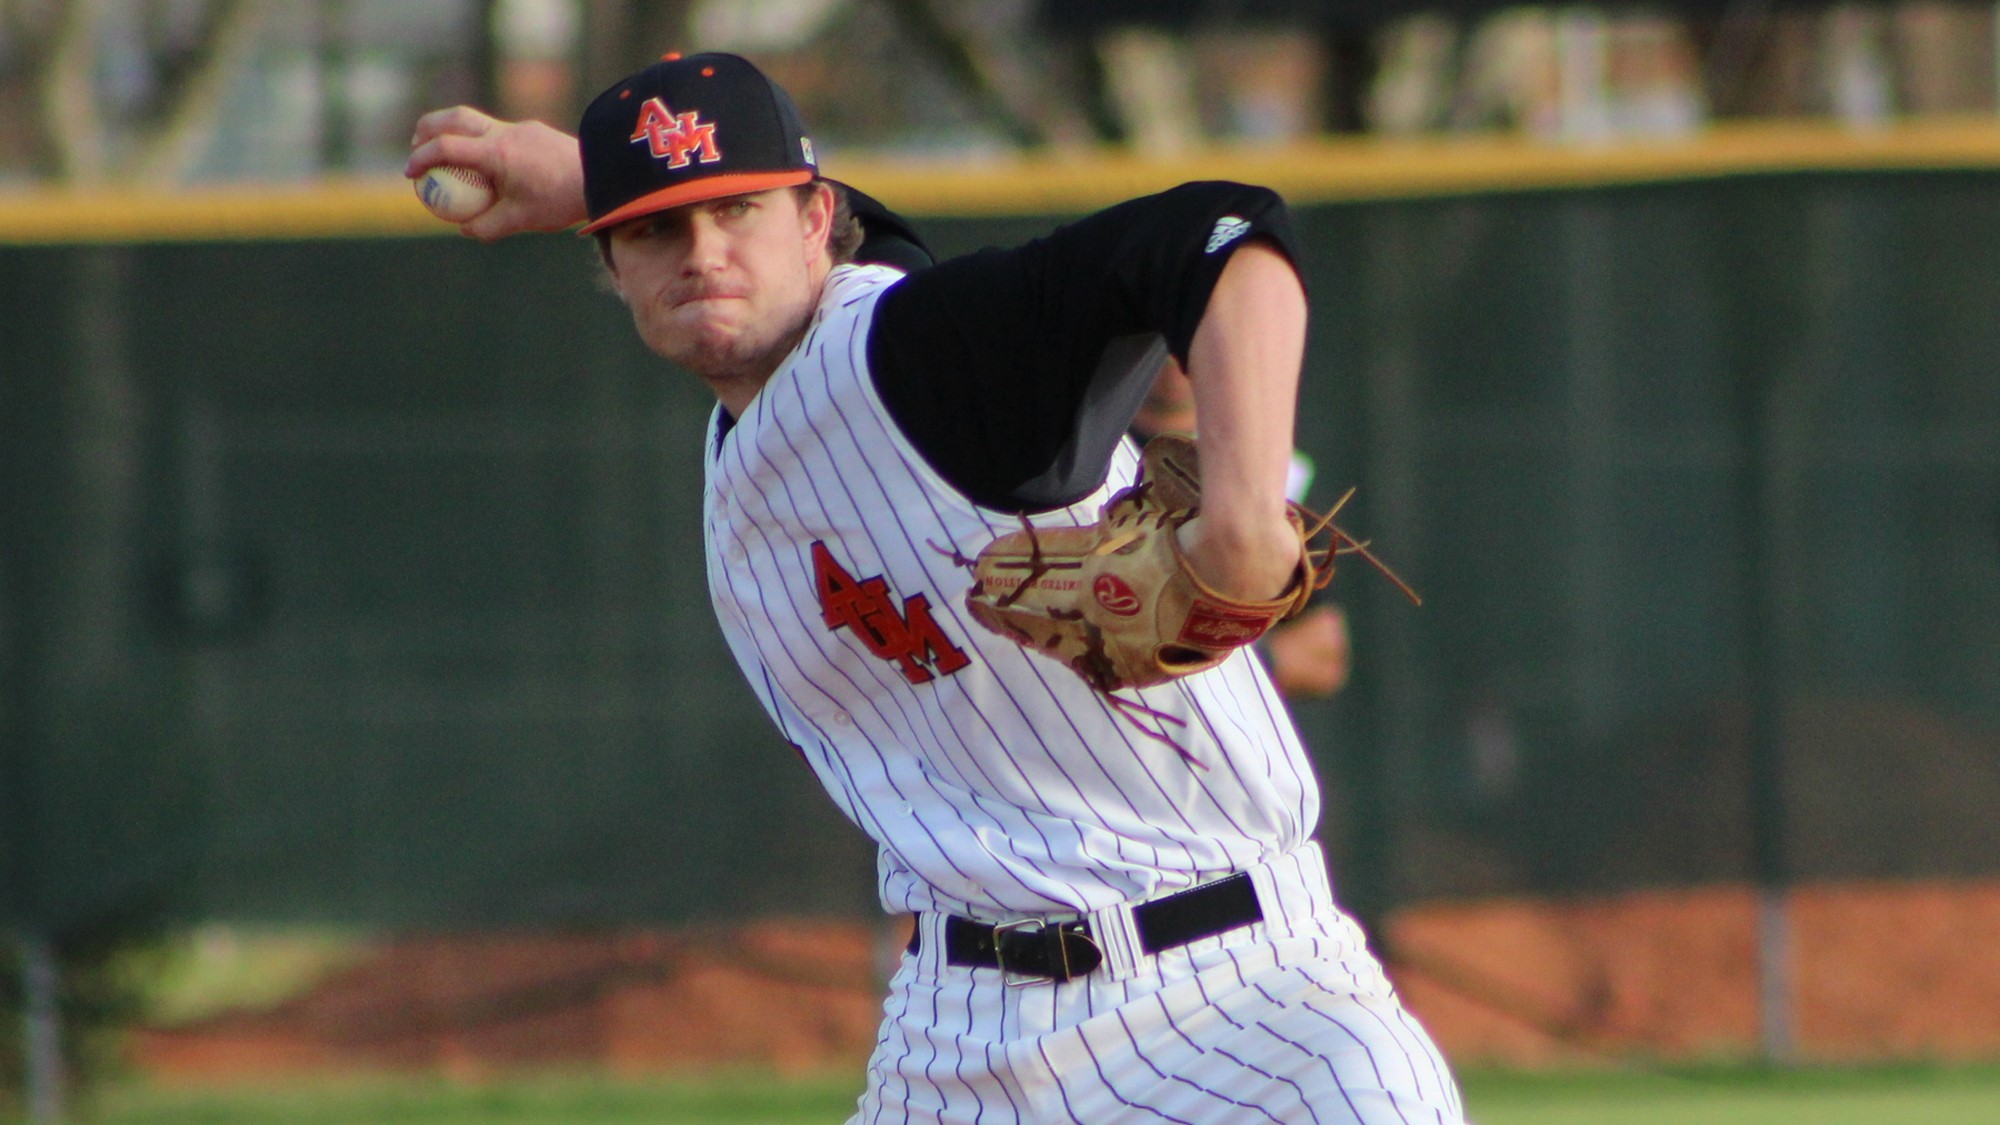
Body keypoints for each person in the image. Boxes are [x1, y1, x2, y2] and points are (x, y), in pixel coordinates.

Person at [408, 51, 1463, 1125]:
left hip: (1241, 1000)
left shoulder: (917, 352)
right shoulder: (762, 416)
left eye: (739, 212)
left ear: (817, 220)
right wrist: (596, 177)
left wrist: (1239, 524)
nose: (703, 255)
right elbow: (748, 248)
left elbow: (1222, 233)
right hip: (960, 1035)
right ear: (610, 262)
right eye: (653, 230)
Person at [1131, 356, 1354, 700]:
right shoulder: (1082, 457)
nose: (1174, 356)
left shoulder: (1269, 479)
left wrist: (1200, 663)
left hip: (1201, 726)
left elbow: (1322, 656)